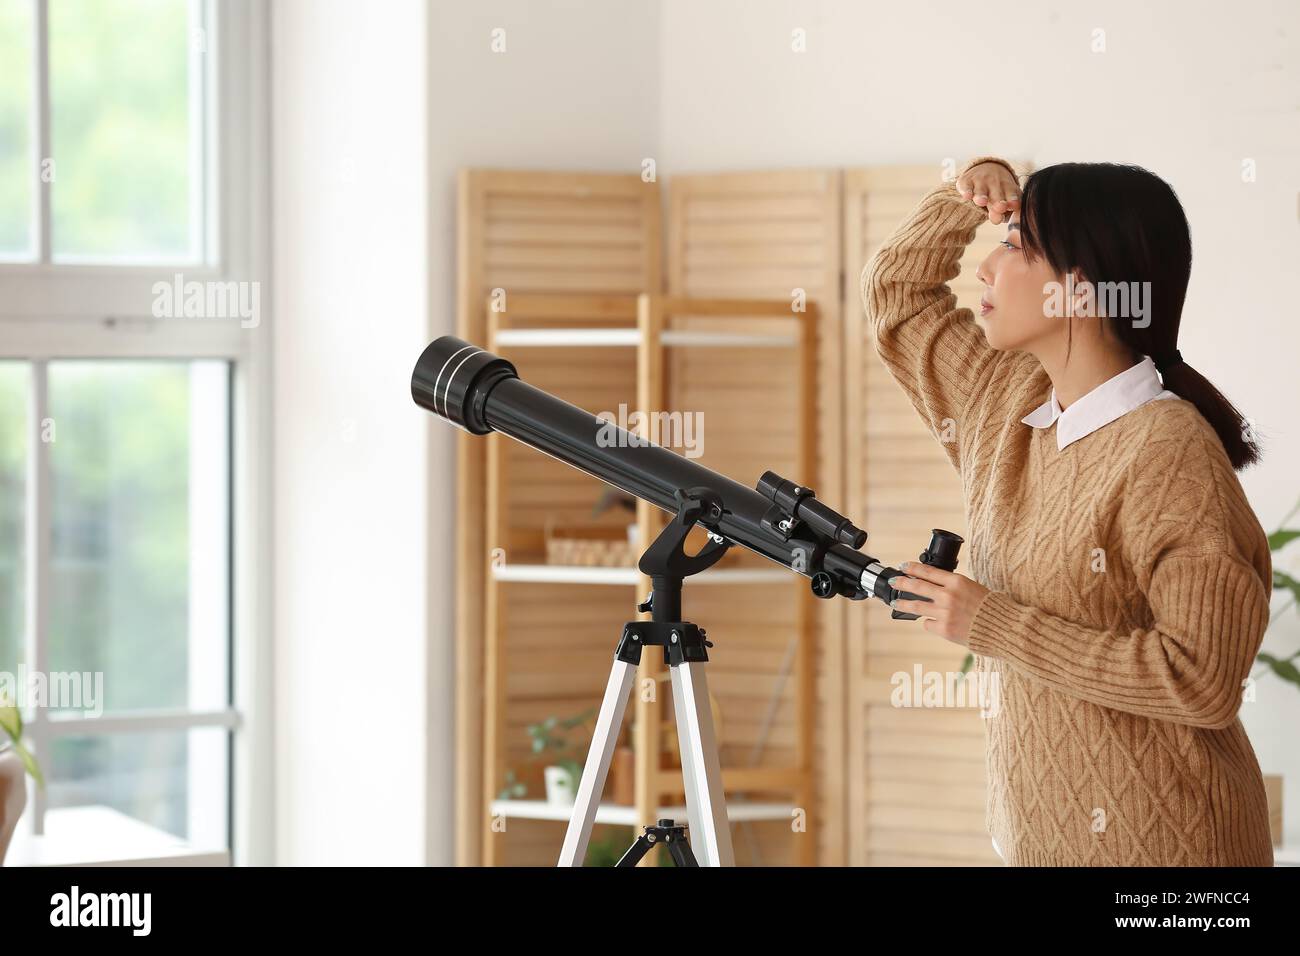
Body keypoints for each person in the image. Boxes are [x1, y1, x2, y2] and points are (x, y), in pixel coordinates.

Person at [860, 155, 1274, 866]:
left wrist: (990, 622)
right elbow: (896, 294)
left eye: (1016, 245)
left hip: (1171, 858)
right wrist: (972, 190)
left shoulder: (1167, 450)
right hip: (1041, 844)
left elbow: (1201, 682)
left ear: (1077, 291)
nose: (987, 268)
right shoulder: (1005, 402)